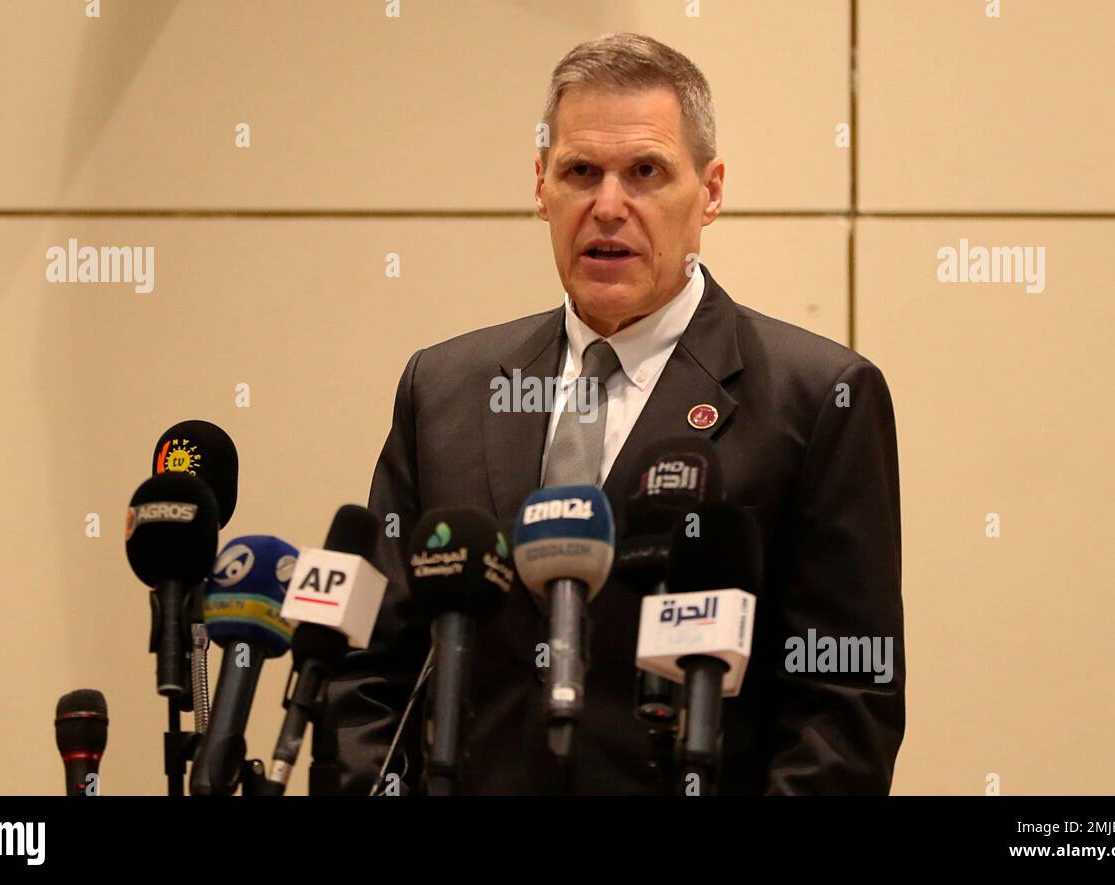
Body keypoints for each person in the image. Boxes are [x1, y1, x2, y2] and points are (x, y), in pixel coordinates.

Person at [328, 32, 904, 795]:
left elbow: (845, 705)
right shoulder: (444, 389)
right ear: (541, 187)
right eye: (580, 172)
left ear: (712, 191)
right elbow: (370, 667)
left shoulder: (820, 395)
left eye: (645, 172)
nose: (608, 206)